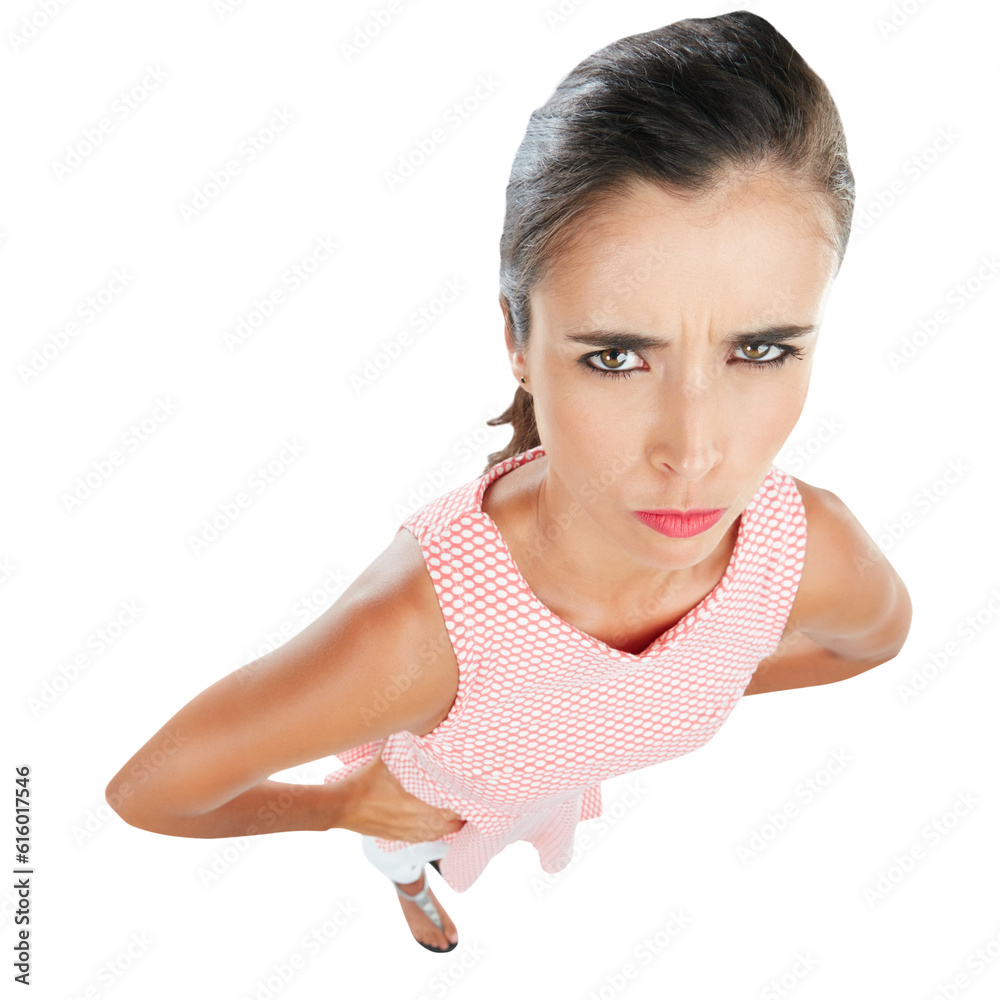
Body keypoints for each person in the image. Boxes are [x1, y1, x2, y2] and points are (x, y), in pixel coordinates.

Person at [105, 10, 912, 954]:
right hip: (437, 800)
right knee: (410, 852)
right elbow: (150, 791)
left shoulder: (808, 553)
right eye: (617, 357)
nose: (694, 451)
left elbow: (874, 645)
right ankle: (413, 890)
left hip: (548, 776)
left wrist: (690, 680)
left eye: (761, 349)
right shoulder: (416, 639)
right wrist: (334, 806)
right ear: (517, 341)